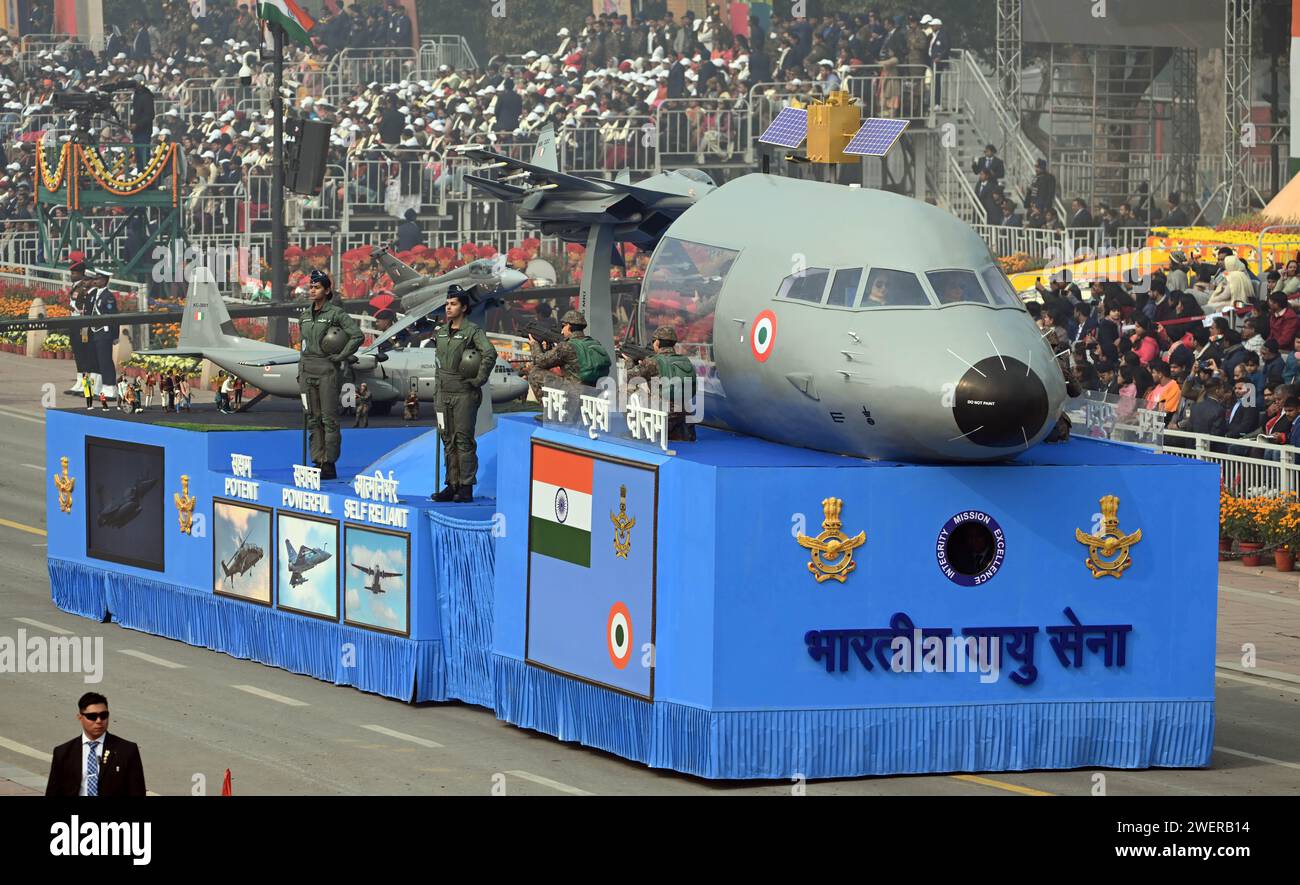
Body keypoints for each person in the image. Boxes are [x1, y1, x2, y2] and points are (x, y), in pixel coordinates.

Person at [298, 269, 363, 480]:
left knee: (329, 419)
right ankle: (317, 459)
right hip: (307, 369)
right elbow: (304, 345)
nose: (312, 290)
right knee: (312, 419)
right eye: (311, 286)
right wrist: (301, 372)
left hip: (327, 370)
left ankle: (329, 463)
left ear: (327, 290)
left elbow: (357, 336)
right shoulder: (305, 316)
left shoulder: (336, 314)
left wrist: (341, 356)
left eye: (317, 287)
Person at [432, 288, 494, 503]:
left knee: (463, 440)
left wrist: (479, 379)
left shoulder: (472, 332)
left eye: (454, 303)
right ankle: (452, 484)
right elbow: (437, 364)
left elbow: (489, 353)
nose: (449, 307)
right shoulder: (440, 332)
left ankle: (466, 486)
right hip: (442, 393)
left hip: (464, 393)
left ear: (464, 307)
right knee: (447, 440)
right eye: (447, 303)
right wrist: (436, 393)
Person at [45, 691, 146, 797]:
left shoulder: (127, 750)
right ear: (80, 717)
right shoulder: (63, 753)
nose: (99, 721)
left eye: (104, 715)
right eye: (92, 717)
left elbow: (137, 791)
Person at [625, 324, 698, 442]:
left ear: (657, 343)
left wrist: (629, 362)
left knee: (630, 394)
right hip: (685, 412)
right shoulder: (684, 360)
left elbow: (630, 377)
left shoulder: (653, 361)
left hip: (662, 414)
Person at [525, 309, 611, 405]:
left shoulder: (566, 346)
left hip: (576, 392)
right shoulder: (593, 342)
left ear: (569, 326)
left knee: (535, 373)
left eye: (563, 326)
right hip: (595, 389)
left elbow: (540, 361)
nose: (562, 331)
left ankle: (552, 411)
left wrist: (534, 345)